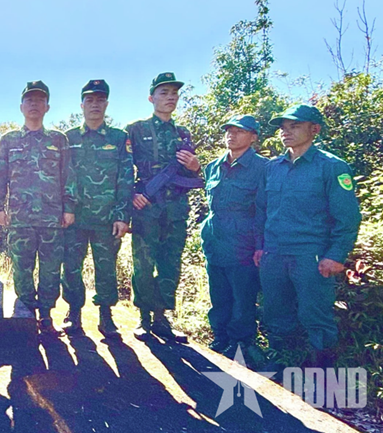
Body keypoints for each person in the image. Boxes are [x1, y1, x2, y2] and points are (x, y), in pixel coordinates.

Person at [255, 104, 361, 368]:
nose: (285, 132)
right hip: (274, 254)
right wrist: (260, 247)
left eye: (295, 126)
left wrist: (336, 255)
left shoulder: (332, 167)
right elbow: (261, 211)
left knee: (315, 315)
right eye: (283, 127)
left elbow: (347, 217)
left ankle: (322, 375)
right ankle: (281, 362)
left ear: (315, 130)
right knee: (276, 313)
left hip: (311, 256)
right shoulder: (273, 167)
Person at [0, 81, 76, 336]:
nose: (35, 105)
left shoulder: (58, 140)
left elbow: (68, 176)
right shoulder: (9, 140)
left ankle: (47, 316)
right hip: (20, 218)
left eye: (40, 100)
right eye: (30, 100)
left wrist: (68, 208)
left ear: (47, 106)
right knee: (22, 268)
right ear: (21, 106)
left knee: (50, 270)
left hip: (52, 218)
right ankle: (26, 315)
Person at [126, 72, 201, 343]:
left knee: (170, 264)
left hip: (176, 209)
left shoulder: (183, 133)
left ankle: (161, 317)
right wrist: (133, 194)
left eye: (174, 94)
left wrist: (195, 167)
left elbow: (193, 177)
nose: (170, 98)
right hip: (147, 207)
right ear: (151, 98)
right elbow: (123, 169)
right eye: (164, 93)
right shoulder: (135, 130)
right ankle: (144, 319)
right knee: (143, 264)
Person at [61, 79, 133, 338]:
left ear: (106, 104)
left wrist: (123, 215)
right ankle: (73, 313)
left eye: (100, 100)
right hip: (75, 217)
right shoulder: (68, 138)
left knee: (106, 267)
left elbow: (126, 178)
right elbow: (62, 176)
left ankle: (106, 316)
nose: (95, 105)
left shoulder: (119, 138)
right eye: (89, 100)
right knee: (71, 266)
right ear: (81, 105)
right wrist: (65, 209)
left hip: (107, 218)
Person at [200, 115, 267, 363]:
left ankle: (241, 342)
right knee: (219, 292)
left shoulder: (263, 168)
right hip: (215, 238)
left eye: (240, 131)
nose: (232, 135)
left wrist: (260, 245)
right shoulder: (213, 166)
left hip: (243, 240)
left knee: (243, 294)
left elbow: (263, 209)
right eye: (229, 130)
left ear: (253, 137)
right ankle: (220, 337)